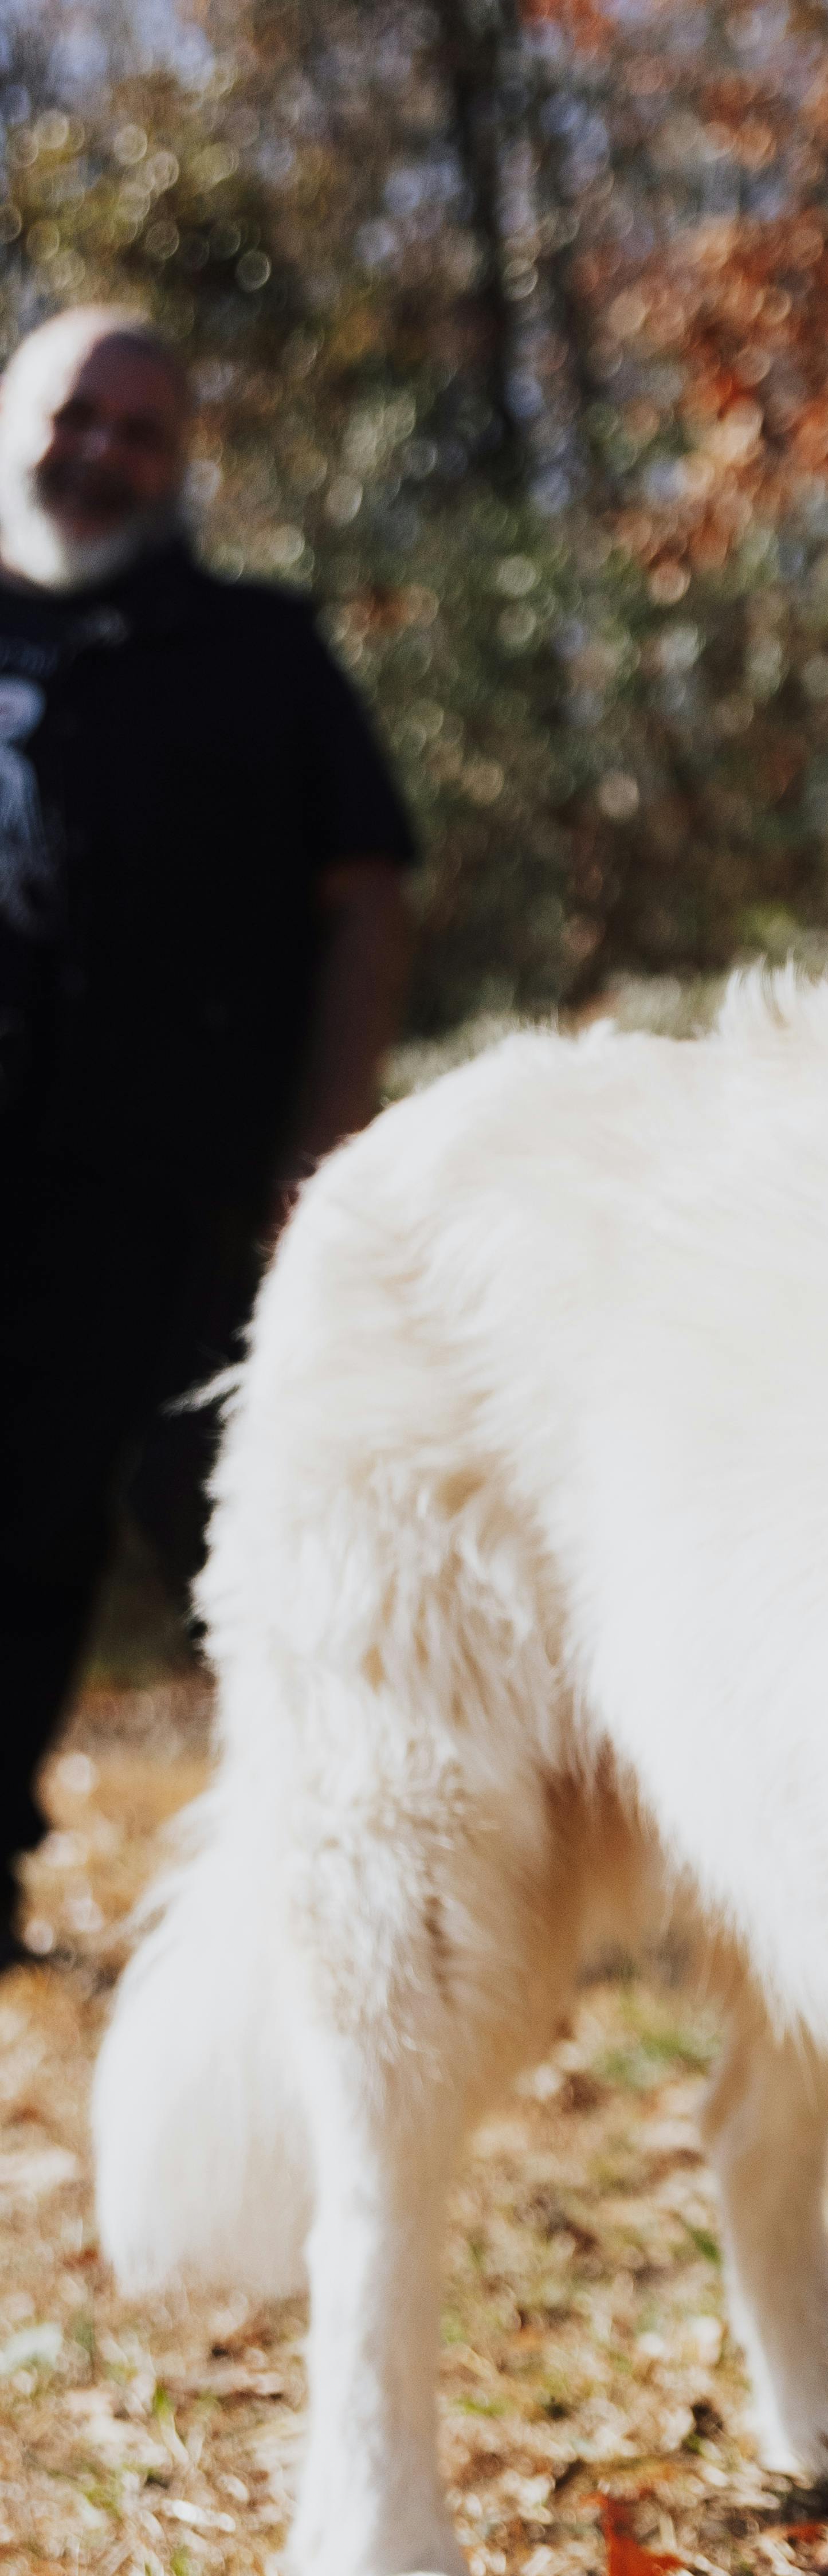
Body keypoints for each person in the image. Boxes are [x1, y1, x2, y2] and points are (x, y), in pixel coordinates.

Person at [0, 300, 415, 1965]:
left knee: (268, 1553)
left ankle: (360, 1902)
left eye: (141, 430)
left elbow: (368, 897)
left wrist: (326, 1158)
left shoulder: (262, 657)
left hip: (182, 1214)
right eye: (70, 416)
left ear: (181, 470)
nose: (99, 452)